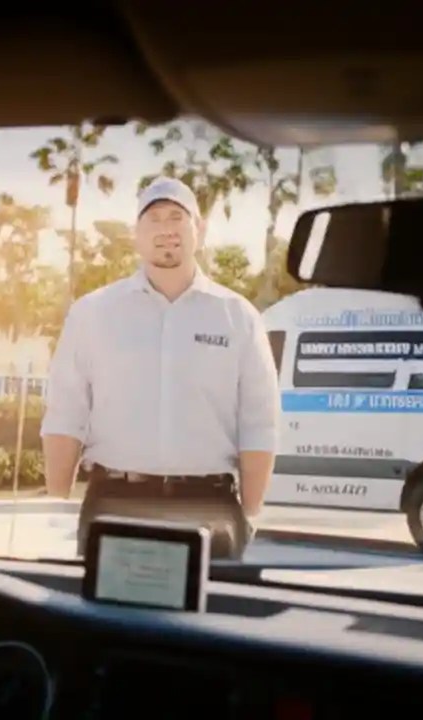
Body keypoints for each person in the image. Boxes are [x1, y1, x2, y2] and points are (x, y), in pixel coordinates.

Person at [40, 176, 281, 559]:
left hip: (209, 507)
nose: (166, 229)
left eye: (177, 217)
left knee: (211, 619)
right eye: (153, 219)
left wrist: (249, 514)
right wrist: (54, 511)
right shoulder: (92, 313)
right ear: (136, 234)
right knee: (101, 621)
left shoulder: (239, 317)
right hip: (114, 503)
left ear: (198, 230)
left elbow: (259, 425)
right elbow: (66, 417)